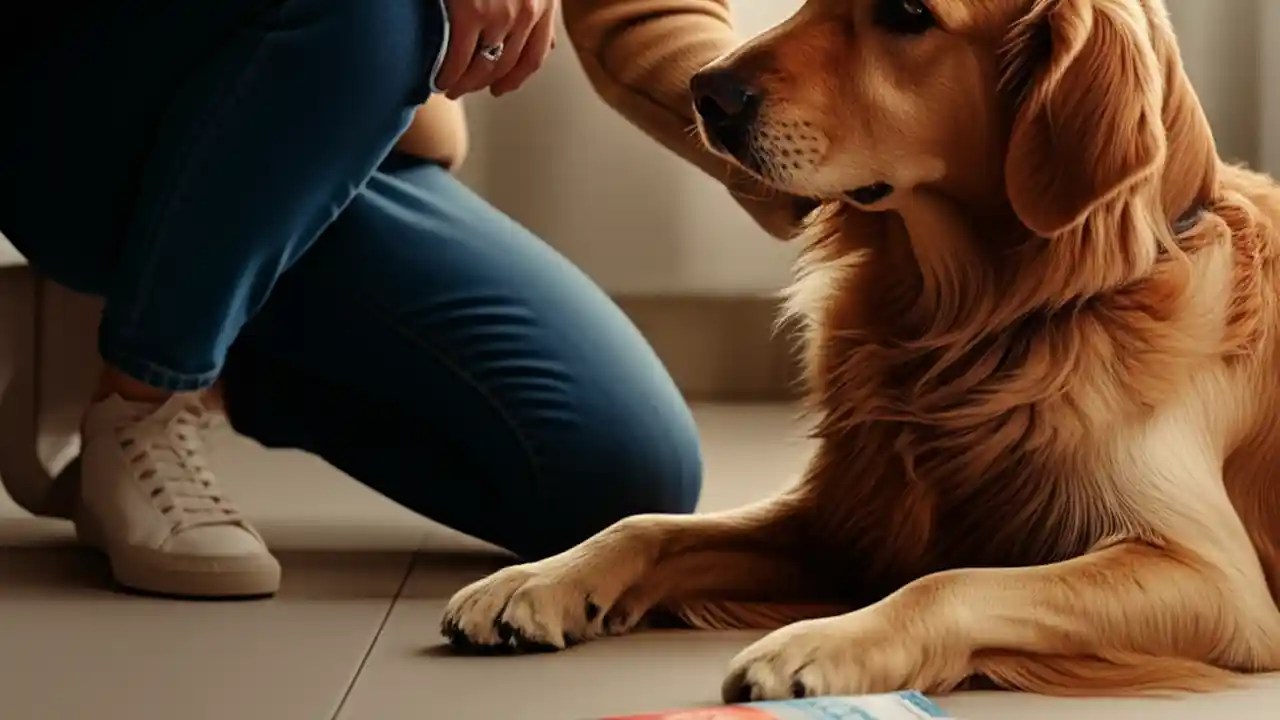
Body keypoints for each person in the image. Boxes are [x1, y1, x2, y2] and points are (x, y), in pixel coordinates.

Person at [0, 0, 723, 599]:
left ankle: (211, 302)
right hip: (75, 105)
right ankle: (143, 400)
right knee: (388, 13)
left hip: (326, 122)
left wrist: (770, 128)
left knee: (626, 475)